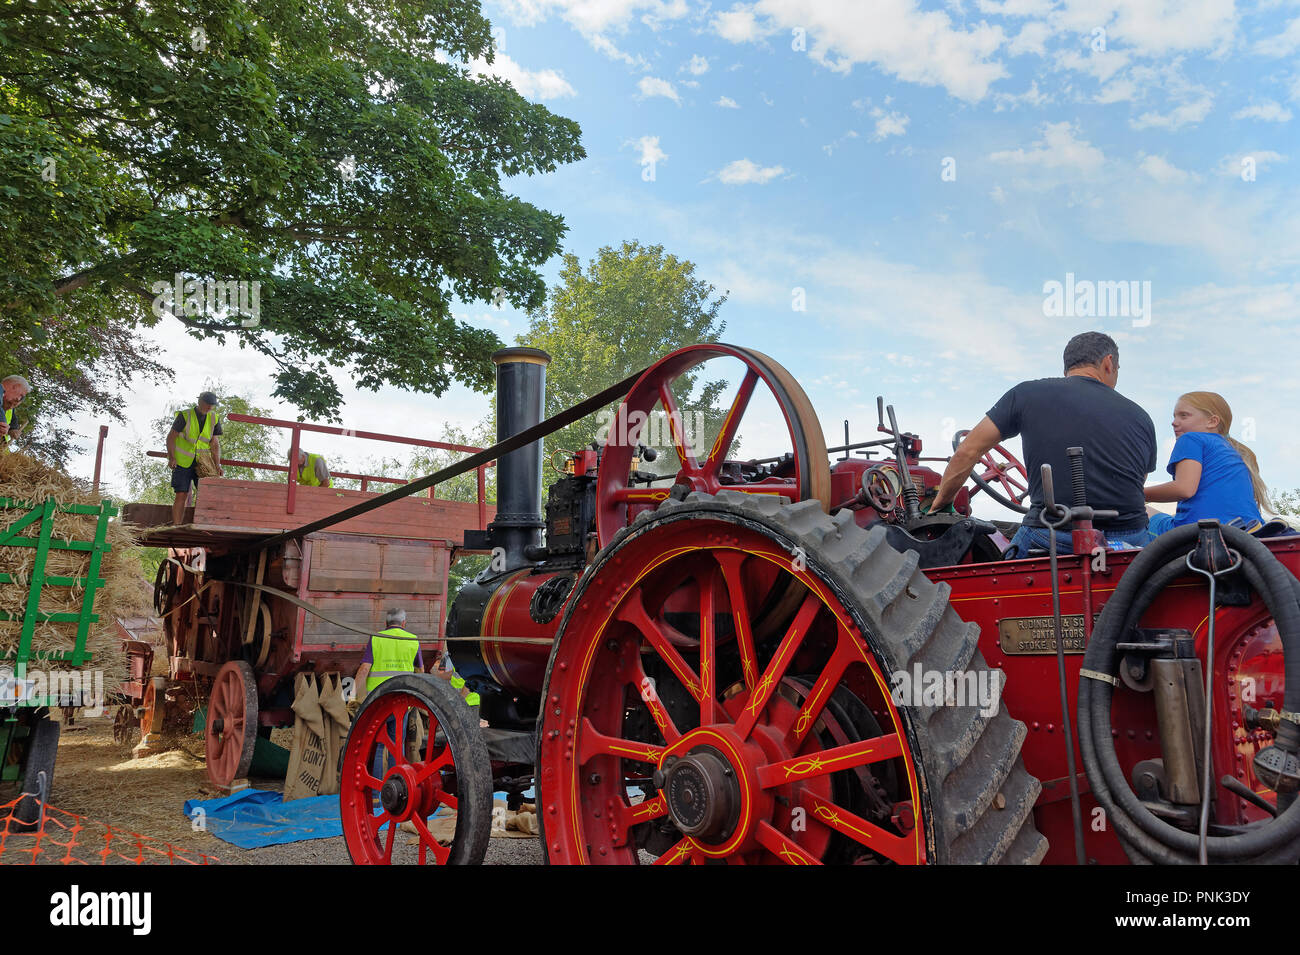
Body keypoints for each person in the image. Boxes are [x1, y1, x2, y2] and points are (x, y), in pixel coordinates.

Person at [931, 331, 1157, 557]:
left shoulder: (1027, 394)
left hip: (1050, 536)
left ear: (1067, 367)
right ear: (1109, 363)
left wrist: (939, 507)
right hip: (1131, 541)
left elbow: (968, 451)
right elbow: (1137, 485)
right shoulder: (1142, 417)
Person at [1144, 392, 1266, 537]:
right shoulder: (1236, 451)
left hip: (1198, 532)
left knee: (1140, 510)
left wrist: (1139, 494)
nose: (1174, 422)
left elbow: (1185, 489)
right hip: (1248, 531)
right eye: (1174, 416)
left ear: (1212, 421)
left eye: (1184, 415)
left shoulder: (1191, 439)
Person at [166, 391, 224, 525]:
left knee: (207, 494)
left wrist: (217, 465)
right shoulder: (185, 416)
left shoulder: (214, 418)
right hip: (182, 461)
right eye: (207, 404)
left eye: (212, 405)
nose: (209, 407)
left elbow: (214, 444)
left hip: (202, 463)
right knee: (182, 493)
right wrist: (172, 457)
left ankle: (204, 524)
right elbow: (171, 437)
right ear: (200, 402)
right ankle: (177, 526)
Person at [1, 374, 30, 450]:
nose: (19, 398)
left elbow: (13, 424)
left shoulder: (10, 410)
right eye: (21, 395)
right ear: (15, 386)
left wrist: (13, 431)